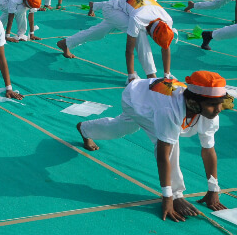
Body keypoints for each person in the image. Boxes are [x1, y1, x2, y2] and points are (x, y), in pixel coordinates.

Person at [76, 72, 228, 221]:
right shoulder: (169, 110)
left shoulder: (210, 113)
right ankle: (176, 194)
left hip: (149, 100)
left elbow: (208, 151)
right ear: (193, 103)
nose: (218, 109)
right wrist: (168, 197)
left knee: (120, 128)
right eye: (212, 105)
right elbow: (163, 155)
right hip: (134, 97)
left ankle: (85, 129)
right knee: (170, 143)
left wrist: (213, 188)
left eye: (220, 103)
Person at [58, 0, 175, 82]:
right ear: (150, 32)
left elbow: (166, 46)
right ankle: (151, 76)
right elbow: (129, 49)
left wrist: (167, 75)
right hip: (112, 9)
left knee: (99, 33)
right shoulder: (139, 19)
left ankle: (66, 43)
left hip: (127, 8)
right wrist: (131, 76)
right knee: (140, 34)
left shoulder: (167, 21)